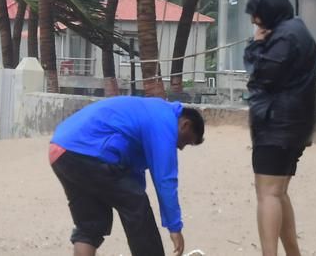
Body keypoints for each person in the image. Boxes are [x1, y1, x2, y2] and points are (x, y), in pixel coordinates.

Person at [49, 95, 205, 256]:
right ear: (185, 125)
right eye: (186, 141)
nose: (181, 147)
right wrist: (174, 227)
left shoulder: (150, 111)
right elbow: (165, 180)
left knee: (90, 225)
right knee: (138, 209)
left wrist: (136, 192)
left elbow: (133, 171)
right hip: (86, 151)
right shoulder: (165, 121)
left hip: (61, 151)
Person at [243, 0, 316, 256]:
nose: (255, 23)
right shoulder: (297, 30)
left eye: (258, 17)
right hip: (294, 123)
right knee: (279, 192)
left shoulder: (285, 37)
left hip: (277, 124)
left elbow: (262, 74)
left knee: (268, 194)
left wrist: (255, 45)